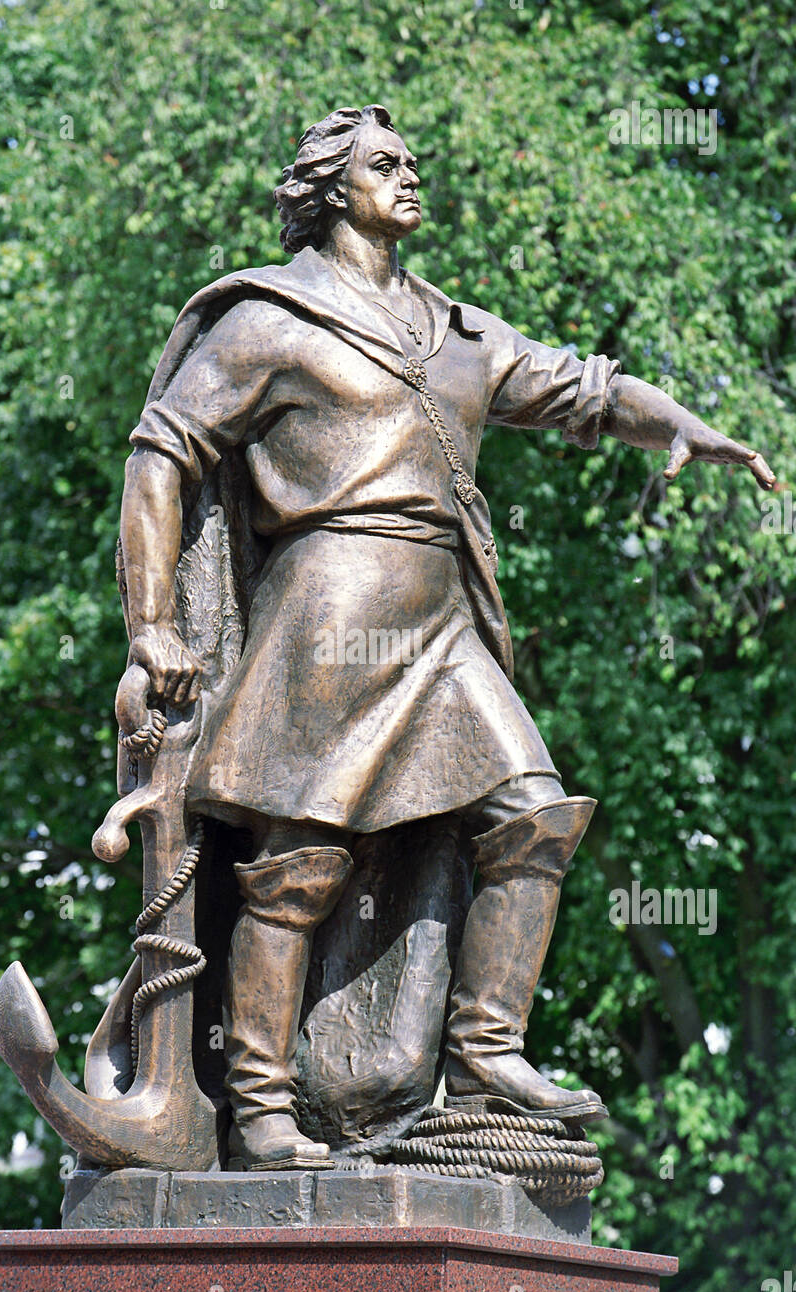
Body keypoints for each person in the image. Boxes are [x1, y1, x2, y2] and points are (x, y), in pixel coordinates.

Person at [120, 105, 774, 1171]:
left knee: (534, 815)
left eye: (412, 161)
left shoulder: (458, 334)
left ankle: (486, 1050)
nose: (409, 176)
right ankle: (264, 1109)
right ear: (333, 189)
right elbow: (162, 455)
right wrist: (153, 624)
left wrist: (682, 427)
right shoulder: (269, 319)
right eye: (386, 164)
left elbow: (585, 390)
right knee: (297, 863)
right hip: (328, 603)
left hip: (443, 614)